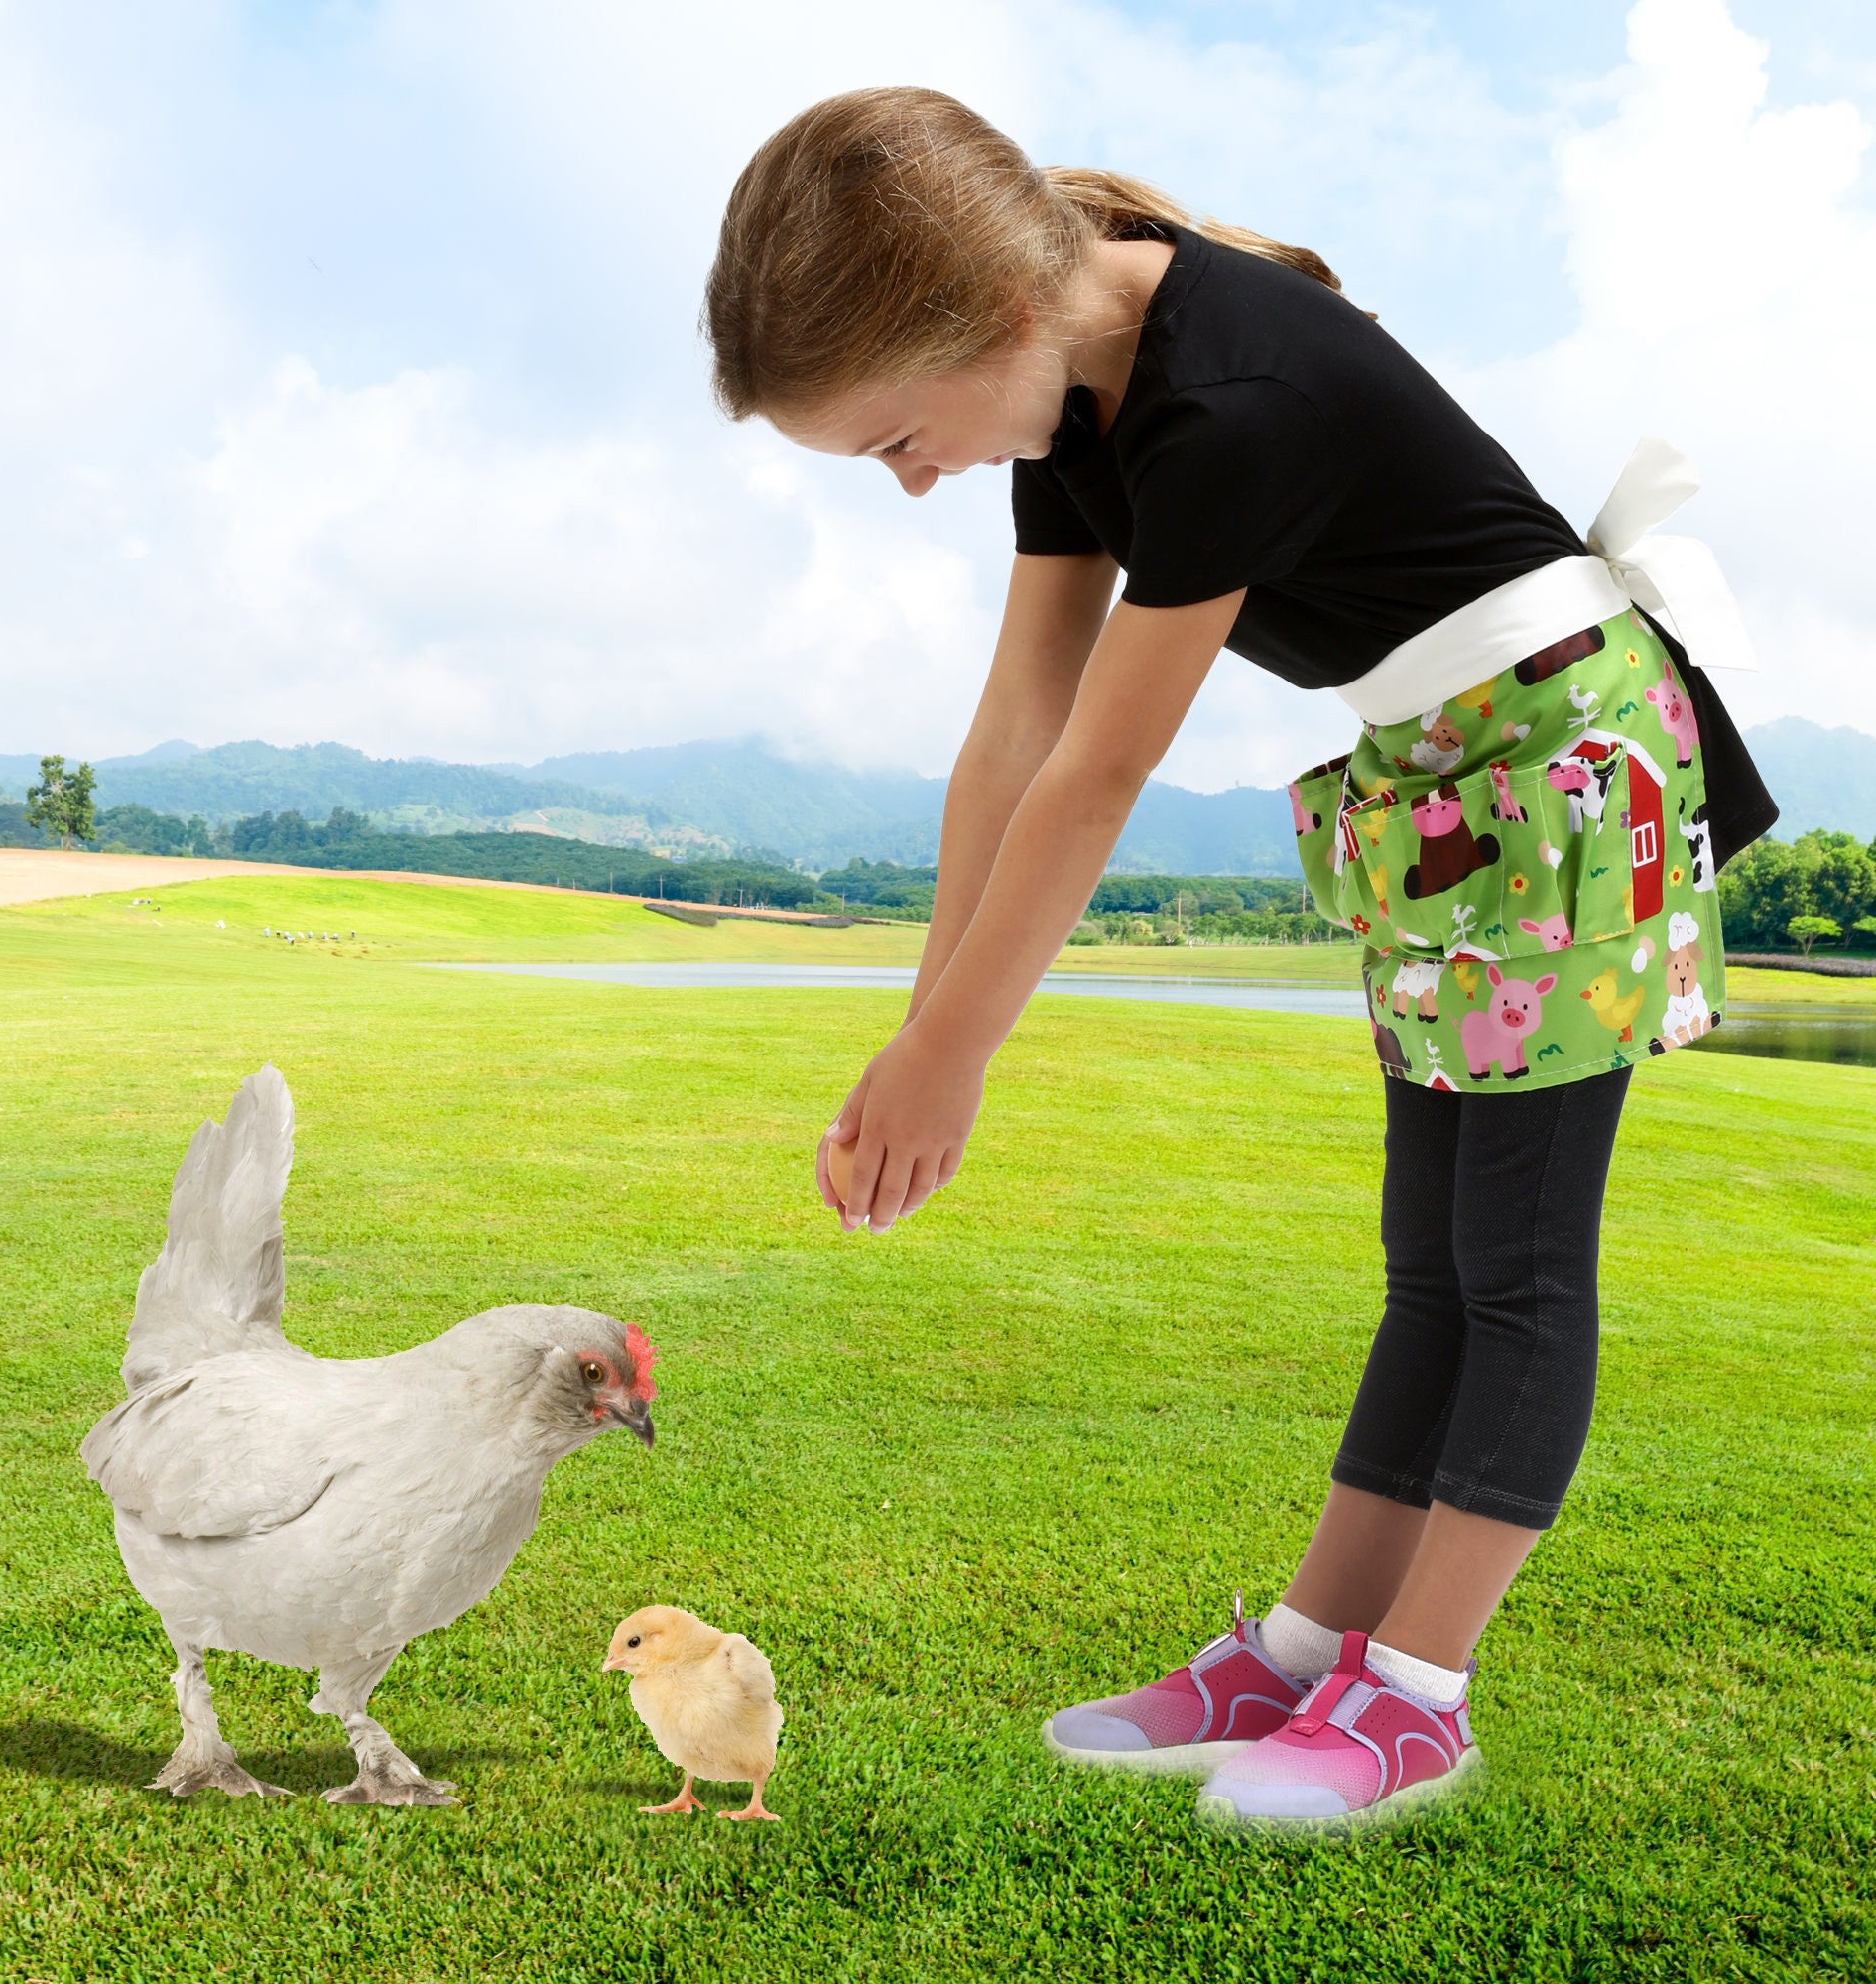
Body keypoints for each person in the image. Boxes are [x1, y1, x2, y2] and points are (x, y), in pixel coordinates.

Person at [700, 87, 1775, 1829]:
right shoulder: (1069, 392)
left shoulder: (1229, 405)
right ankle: (1305, 1651)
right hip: (1449, 775)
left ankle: (1419, 1699)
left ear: (988, 315)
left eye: (898, 438)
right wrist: (917, 1037)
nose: (913, 480)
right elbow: (1010, 733)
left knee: (1513, 1269)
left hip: (1570, 769)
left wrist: (956, 1060)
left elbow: (1096, 773)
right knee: (1429, 1265)